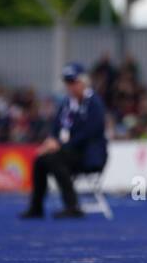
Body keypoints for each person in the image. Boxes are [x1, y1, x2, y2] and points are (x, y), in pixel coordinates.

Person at [20, 62, 108, 220]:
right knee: (40, 160)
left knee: (54, 159)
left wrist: (59, 145)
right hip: (70, 151)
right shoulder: (67, 104)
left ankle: (72, 206)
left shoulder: (94, 103)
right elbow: (56, 127)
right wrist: (50, 142)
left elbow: (90, 132)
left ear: (83, 82)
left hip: (89, 154)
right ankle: (36, 207)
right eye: (68, 83)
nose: (70, 87)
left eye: (73, 82)